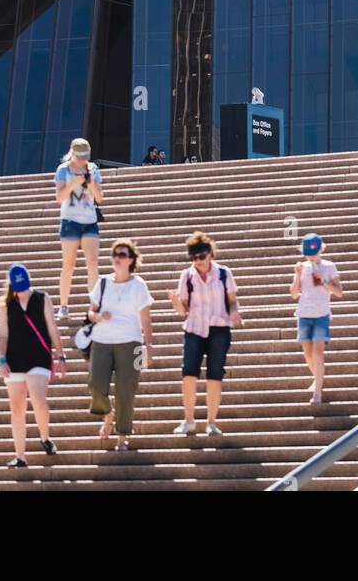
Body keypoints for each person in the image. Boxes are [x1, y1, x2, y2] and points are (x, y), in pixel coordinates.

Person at [167, 230, 241, 435]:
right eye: (193, 258)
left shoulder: (224, 273)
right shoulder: (187, 275)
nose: (197, 261)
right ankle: (189, 420)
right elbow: (183, 310)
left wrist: (234, 314)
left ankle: (211, 422)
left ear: (210, 253)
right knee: (188, 374)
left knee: (215, 376)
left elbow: (232, 300)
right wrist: (175, 302)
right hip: (194, 328)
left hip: (219, 327)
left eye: (200, 256)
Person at [88, 238, 154, 450]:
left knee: (127, 390)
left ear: (131, 260)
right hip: (101, 341)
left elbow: (146, 319)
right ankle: (108, 416)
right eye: (114, 254)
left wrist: (148, 346)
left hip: (132, 343)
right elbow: (91, 312)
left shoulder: (139, 285)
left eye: (122, 255)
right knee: (96, 385)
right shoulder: (103, 283)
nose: (116, 258)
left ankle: (123, 436)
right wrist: (98, 316)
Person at [0, 263, 66, 467]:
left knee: (38, 399)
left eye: (24, 285)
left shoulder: (42, 298)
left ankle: (44, 437)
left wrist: (61, 356)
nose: (22, 290)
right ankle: (21, 456)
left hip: (39, 357)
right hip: (14, 359)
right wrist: (1, 360)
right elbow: (2, 334)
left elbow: (52, 328)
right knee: (17, 407)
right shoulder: (6, 304)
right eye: (18, 286)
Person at [290, 232, 344, 406]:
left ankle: (317, 392)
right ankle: (317, 378)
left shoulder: (329, 266)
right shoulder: (302, 267)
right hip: (304, 313)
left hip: (321, 313)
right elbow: (293, 294)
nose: (310, 256)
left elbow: (339, 292)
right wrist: (297, 275)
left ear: (321, 249)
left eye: (313, 252)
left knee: (318, 352)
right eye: (307, 253)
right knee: (307, 354)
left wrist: (324, 280)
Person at [54, 137, 102, 319]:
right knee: (69, 265)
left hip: (89, 220)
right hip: (69, 221)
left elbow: (99, 197)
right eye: (79, 157)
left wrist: (90, 184)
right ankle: (64, 305)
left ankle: (95, 305)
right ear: (72, 154)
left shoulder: (93, 169)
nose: (82, 161)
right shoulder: (63, 170)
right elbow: (59, 197)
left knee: (93, 263)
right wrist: (73, 183)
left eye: (84, 157)